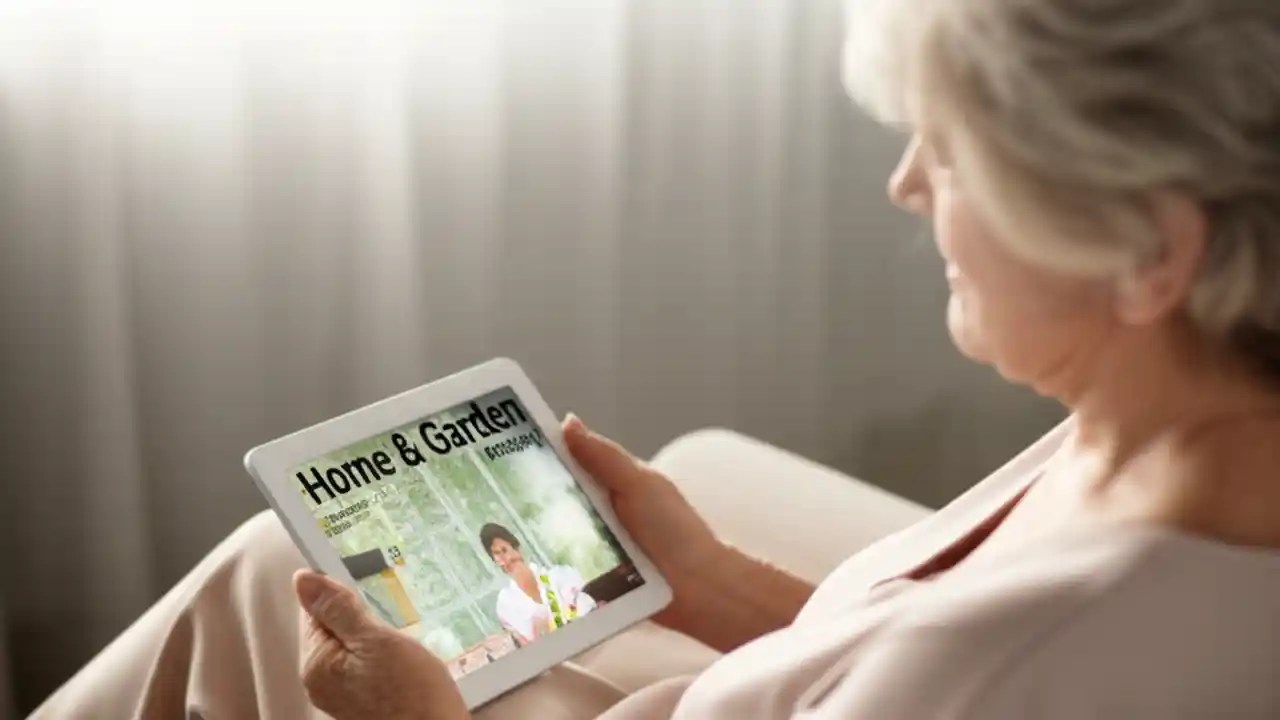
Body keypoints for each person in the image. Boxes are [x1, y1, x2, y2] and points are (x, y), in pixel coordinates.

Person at [30, 0, 1280, 717]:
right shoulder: (1185, 404)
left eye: (950, 156)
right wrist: (706, 581)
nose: (904, 186)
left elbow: (935, 667)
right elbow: (884, 654)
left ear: (1149, 250)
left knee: (272, 583)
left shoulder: (1023, 665)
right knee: (286, 564)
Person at [478, 523, 596, 645]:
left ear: (517, 549)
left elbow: (584, 604)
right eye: (497, 555)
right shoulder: (506, 602)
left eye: (505, 550)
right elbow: (527, 638)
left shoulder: (559, 575)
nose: (506, 559)